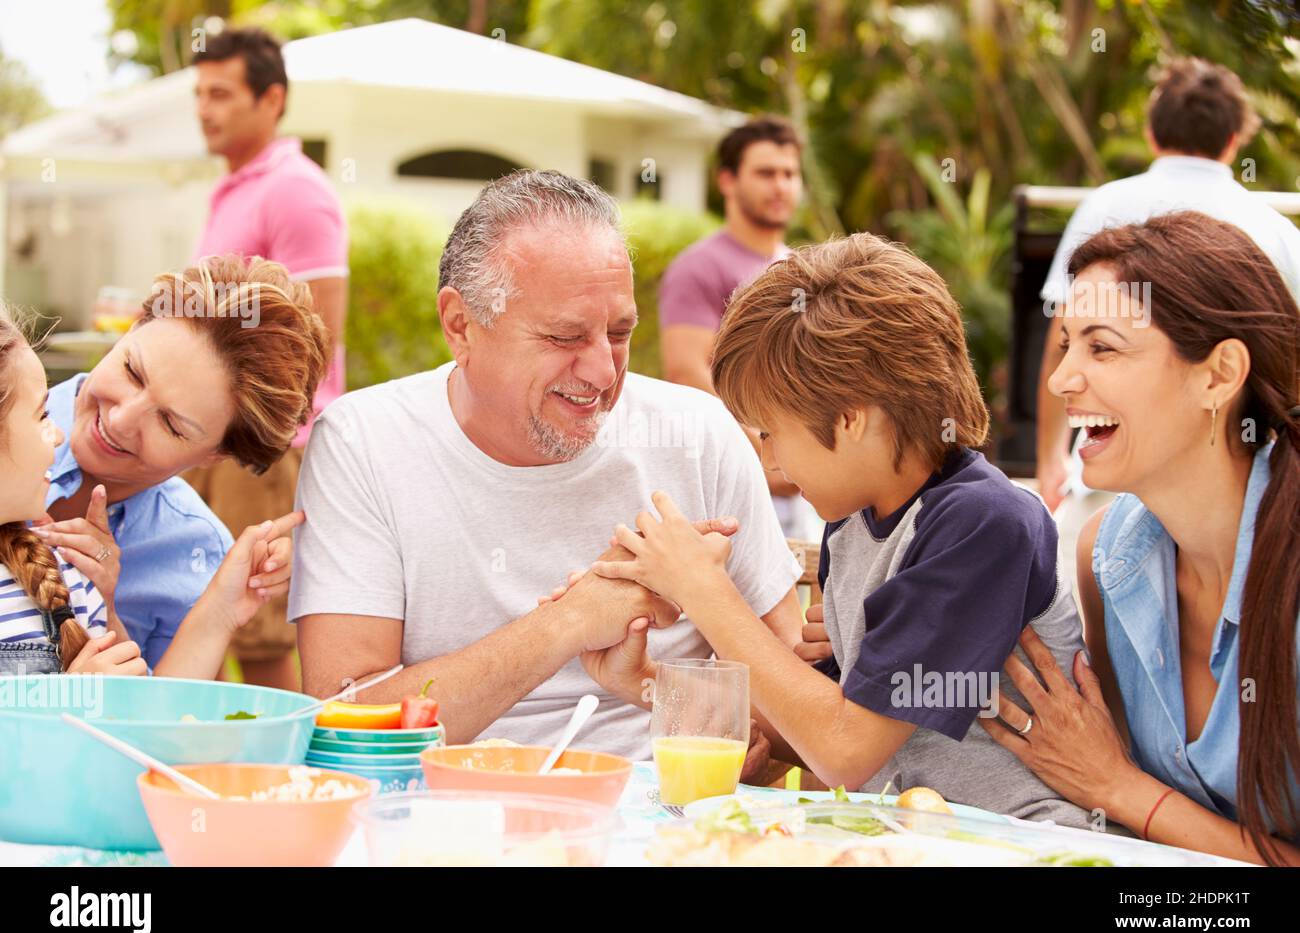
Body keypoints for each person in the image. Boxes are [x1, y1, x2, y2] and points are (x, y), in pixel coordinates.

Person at [290, 170, 804, 761]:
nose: (604, 373)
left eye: (619, 332)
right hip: (446, 817)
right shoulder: (364, 442)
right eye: (565, 337)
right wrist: (569, 621)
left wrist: (691, 630)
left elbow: (801, 723)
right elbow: (347, 728)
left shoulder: (697, 432)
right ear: (461, 325)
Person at [580, 232, 1090, 825]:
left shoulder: (984, 523)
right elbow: (813, 734)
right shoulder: (854, 523)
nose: (769, 460)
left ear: (849, 420)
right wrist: (640, 678)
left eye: (771, 431)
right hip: (905, 836)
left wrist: (705, 590)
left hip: (1024, 837)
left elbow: (845, 751)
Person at [984, 212, 1300, 865]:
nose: (1061, 379)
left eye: (1101, 348)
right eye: (1065, 343)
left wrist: (1120, 789)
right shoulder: (1106, 557)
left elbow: (1116, 787)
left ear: (1218, 375)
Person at [33, 255, 328, 676]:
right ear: (133, 328)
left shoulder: (191, 550)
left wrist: (104, 611)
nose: (120, 420)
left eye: (170, 424)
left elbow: (167, 728)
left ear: (215, 455)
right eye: (132, 371)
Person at [1034, 57, 1300, 514]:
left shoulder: (1104, 207)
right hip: (1243, 489)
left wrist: (1050, 459)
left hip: (1105, 482)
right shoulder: (1278, 232)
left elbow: (1062, 340)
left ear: (1152, 135)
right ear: (1233, 142)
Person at [186, 27, 349, 690]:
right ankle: (220, 771)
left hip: (262, 442)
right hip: (212, 438)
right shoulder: (234, 188)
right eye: (199, 93)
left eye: (221, 93)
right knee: (202, 614)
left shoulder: (295, 190)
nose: (204, 108)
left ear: (271, 98)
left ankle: (279, 784)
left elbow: (320, 331)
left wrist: (250, 429)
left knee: (257, 634)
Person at [658, 115, 818, 540]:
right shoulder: (698, 267)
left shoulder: (801, 268)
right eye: (765, 173)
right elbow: (688, 373)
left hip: (809, 486)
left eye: (789, 174)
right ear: (727, 181)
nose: (781, 186)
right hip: (736, 485)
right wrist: (767, 458)